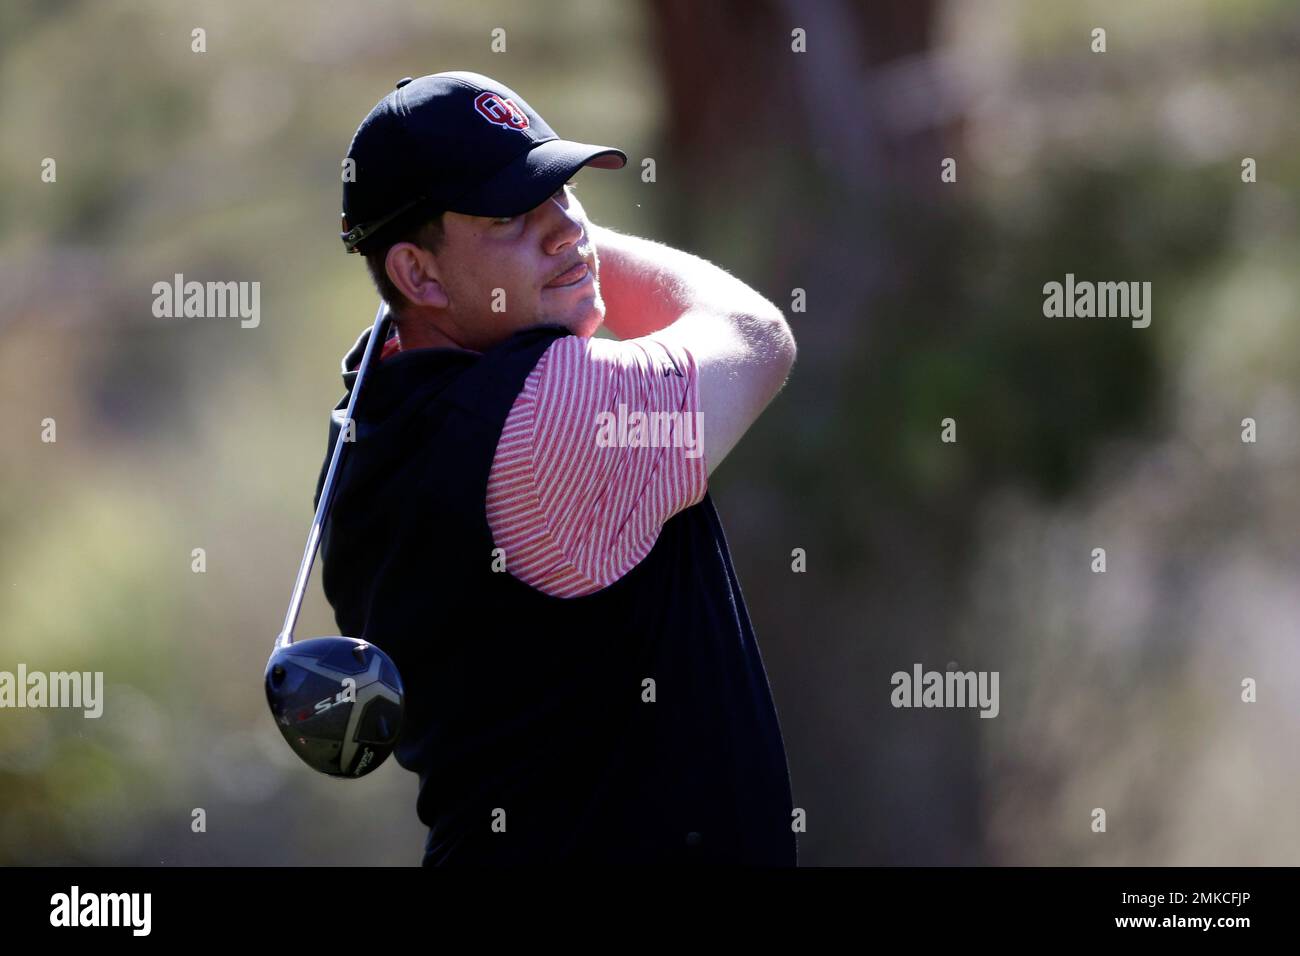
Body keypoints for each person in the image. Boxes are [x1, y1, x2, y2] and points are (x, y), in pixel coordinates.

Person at [316, 71, 798, 865]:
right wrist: (577, 253)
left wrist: (534, 246)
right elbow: (754, 333)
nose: (566, 227)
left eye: (563, 191)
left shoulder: (365, 430)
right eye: (511, 212)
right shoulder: (554, 420)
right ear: (417, 276)